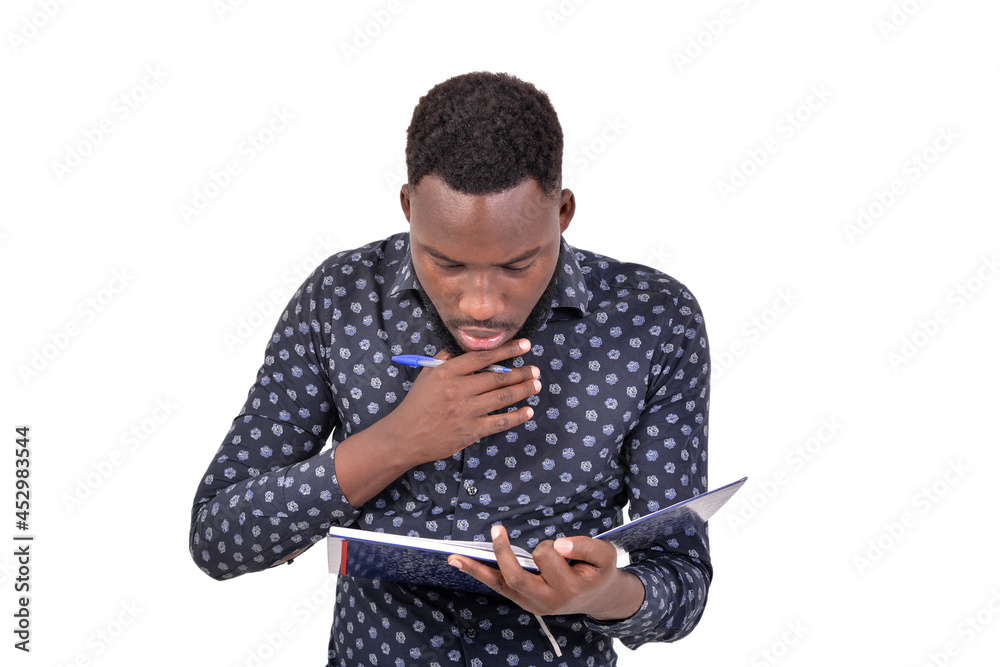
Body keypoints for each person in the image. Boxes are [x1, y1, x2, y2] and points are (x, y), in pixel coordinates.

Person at [190, 71, 712, 667]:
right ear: (409, 207)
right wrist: (397, 441)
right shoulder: (340, 298)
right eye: (446, 263)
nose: (481, 304)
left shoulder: (652, 318)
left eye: (517, 266)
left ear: (563, 213)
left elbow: (682, 583)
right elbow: (218, 539)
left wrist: (608, 594)